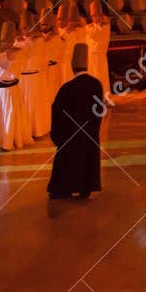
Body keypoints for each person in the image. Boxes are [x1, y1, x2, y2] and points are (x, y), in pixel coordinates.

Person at [47, 43, 105, 199]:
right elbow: (100, 111)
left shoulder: (67, 88)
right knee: (87, 160)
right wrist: (94, 130)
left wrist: (57, 137)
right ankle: (86, 187)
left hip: (70, 136)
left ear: (72, 67)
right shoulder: (96, 85)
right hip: (89, 134)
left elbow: (56, 112)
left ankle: (65, 188)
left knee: (68, 163)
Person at [0, 21, 30, 151]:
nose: (6, 43)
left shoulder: (21, 51)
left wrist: (5, 53)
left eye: (9, 40)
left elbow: (8, 64)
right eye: (3, 40)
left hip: (10, 89)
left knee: (9, 116)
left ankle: (8, 142)